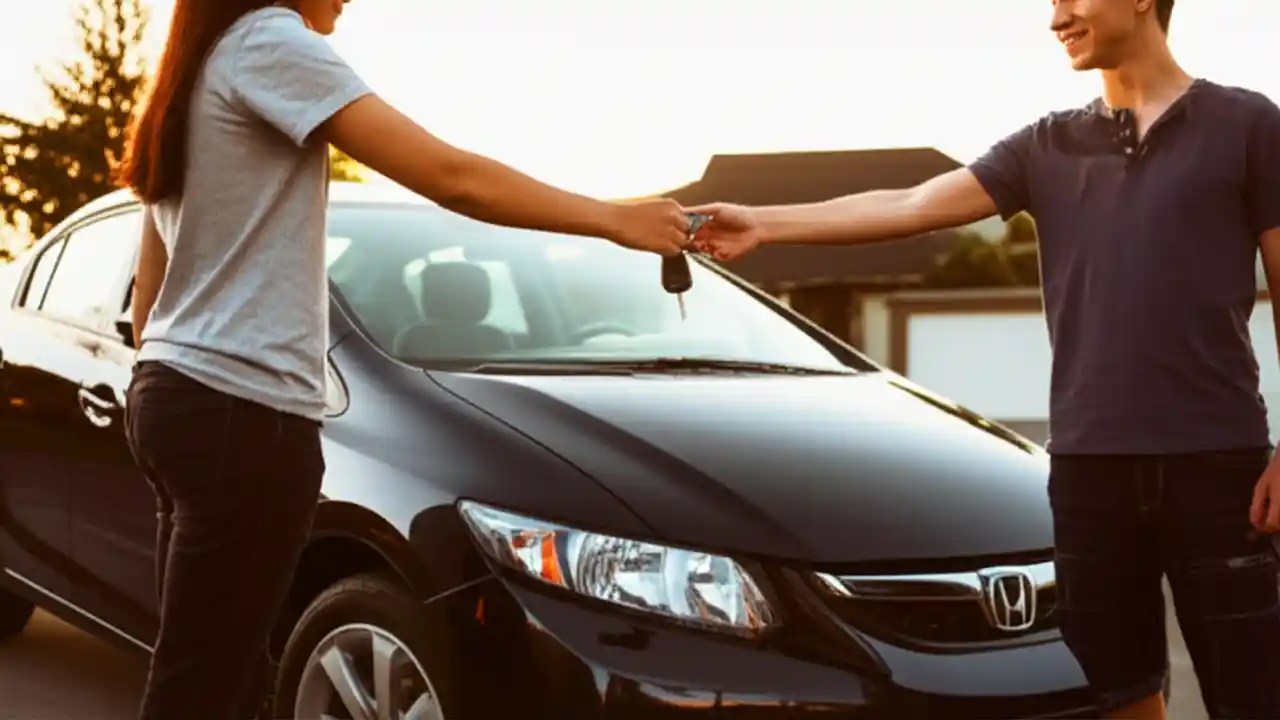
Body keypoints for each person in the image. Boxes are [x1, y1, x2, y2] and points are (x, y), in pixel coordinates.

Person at [691, 1, 1280, 718]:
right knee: (1119, 693)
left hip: (1221, 470)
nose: (1057, 15)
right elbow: (910, 202)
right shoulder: (1046, 146)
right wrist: (766, 223)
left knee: (1253, 694)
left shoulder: (1248, 126)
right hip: (1089, 474)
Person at [113, 1, 693, 718]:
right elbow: (453, 176)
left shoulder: (189, 75)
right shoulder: (267, 42)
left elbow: (148, 298)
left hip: (177, 392)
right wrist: (612, 218)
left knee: (223, 669)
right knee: (205, 684)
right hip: (244, 410)